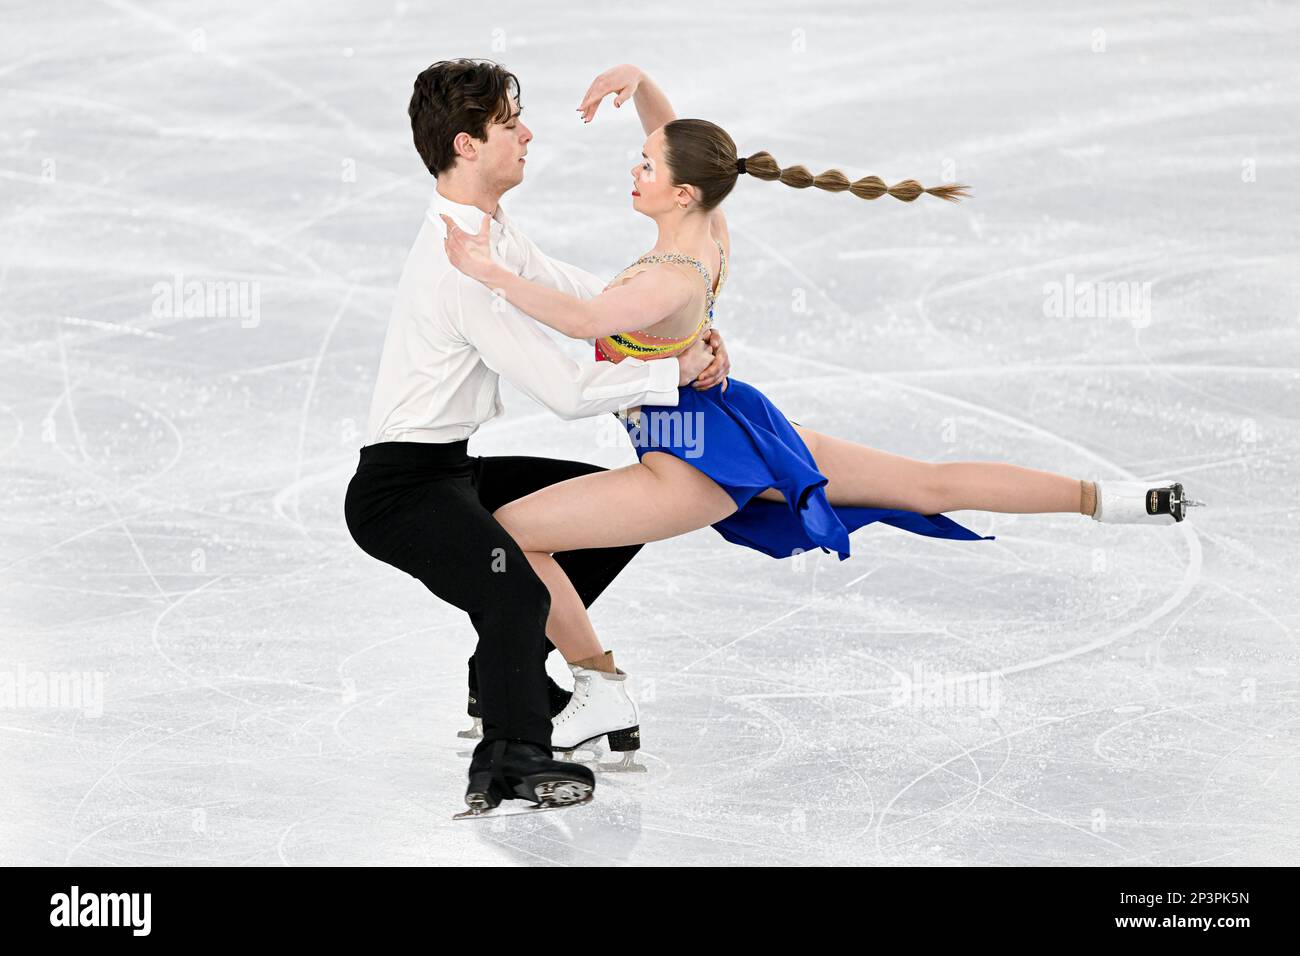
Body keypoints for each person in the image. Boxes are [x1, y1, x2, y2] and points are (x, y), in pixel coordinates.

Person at [439, 63, 1206, 752]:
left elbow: (577, 323)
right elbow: (684, 147)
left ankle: (600, 687)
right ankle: (1112, 499)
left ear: (680, 192)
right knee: (927, 484)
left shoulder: (666, 279)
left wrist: (486, 270)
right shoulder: (709, 227)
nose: (633, 170)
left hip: (686, 455)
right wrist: (640, 87)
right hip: (741, 420)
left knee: (514, 534)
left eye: (645, 165)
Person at [344, 59, 729, 816]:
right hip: (401, 493)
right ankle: (514, 756)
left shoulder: (485, 234)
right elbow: (564, 390)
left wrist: (678, 326)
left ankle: (502, 677)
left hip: (450, 470)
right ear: (466, 145)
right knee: (513, 589)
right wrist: (670, 375)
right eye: (508, 125)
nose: (527, 134)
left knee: (609, 519)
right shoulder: (463, 267)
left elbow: (581, 292)